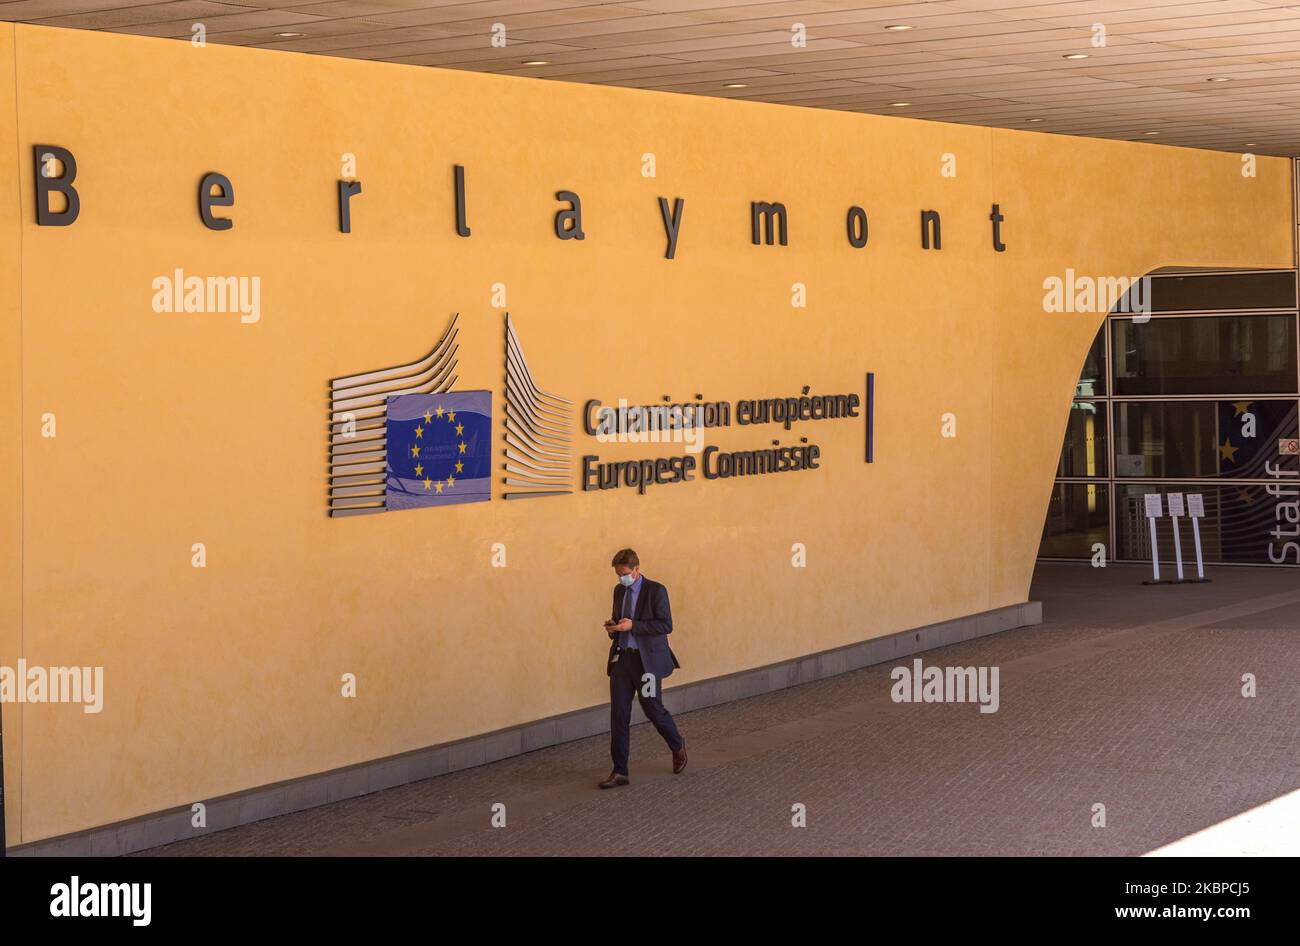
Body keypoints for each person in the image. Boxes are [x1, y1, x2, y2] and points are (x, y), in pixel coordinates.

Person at [599, 548, 687, 788]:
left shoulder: (656, 591)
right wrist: (614, 627)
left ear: (637, 569)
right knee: (618, 714)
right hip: (622, 661)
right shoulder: (619, 591)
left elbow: (665, 625)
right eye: (618, 574)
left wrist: (633, 626)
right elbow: (620, 621)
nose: (621, 578)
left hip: (646, 664)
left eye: (625, 573)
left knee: (652, 708)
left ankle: (677, 745)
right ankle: (620, 771)